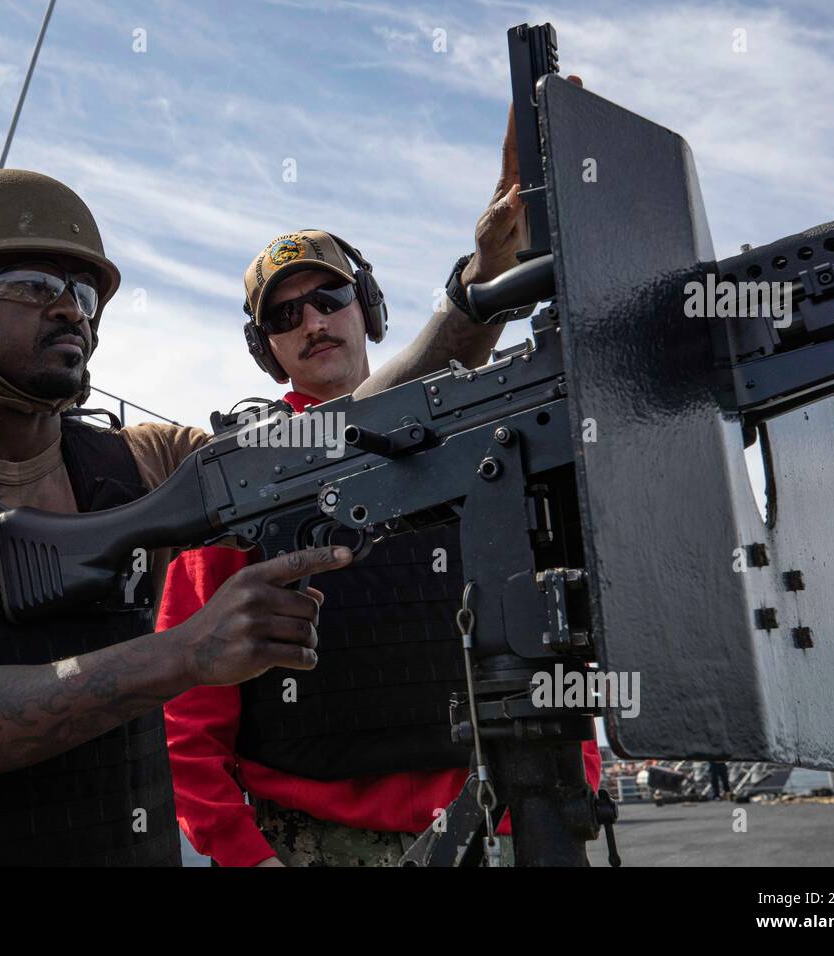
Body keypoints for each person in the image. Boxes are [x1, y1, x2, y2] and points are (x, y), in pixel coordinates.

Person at [0, 168, 510, 866]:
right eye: (32, 286)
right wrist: (185, 654)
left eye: (80, 292)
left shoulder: (147, 463)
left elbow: (353, 428)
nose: (68, 307)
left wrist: (475, 298)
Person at [158, 81, 603, 867]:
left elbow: (542, 622)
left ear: (366, 308)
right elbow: (189, 710)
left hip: (501, 822)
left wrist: (566, 779)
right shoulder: (242, 488)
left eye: (328, 297)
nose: (312, 322)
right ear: (266, 348)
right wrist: (245, 857)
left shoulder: (485, 441)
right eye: (283, 316)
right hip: (312, 843)